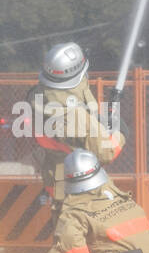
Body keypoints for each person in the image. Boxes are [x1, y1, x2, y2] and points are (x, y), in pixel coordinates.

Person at [26, 42, 125, 209]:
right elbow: (107, 152)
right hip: (81, 186)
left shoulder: (36, 97)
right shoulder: (75, 116)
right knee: (81, 231)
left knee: (64, 226)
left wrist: (94, 119)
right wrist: (119, 129)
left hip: (56, 179)